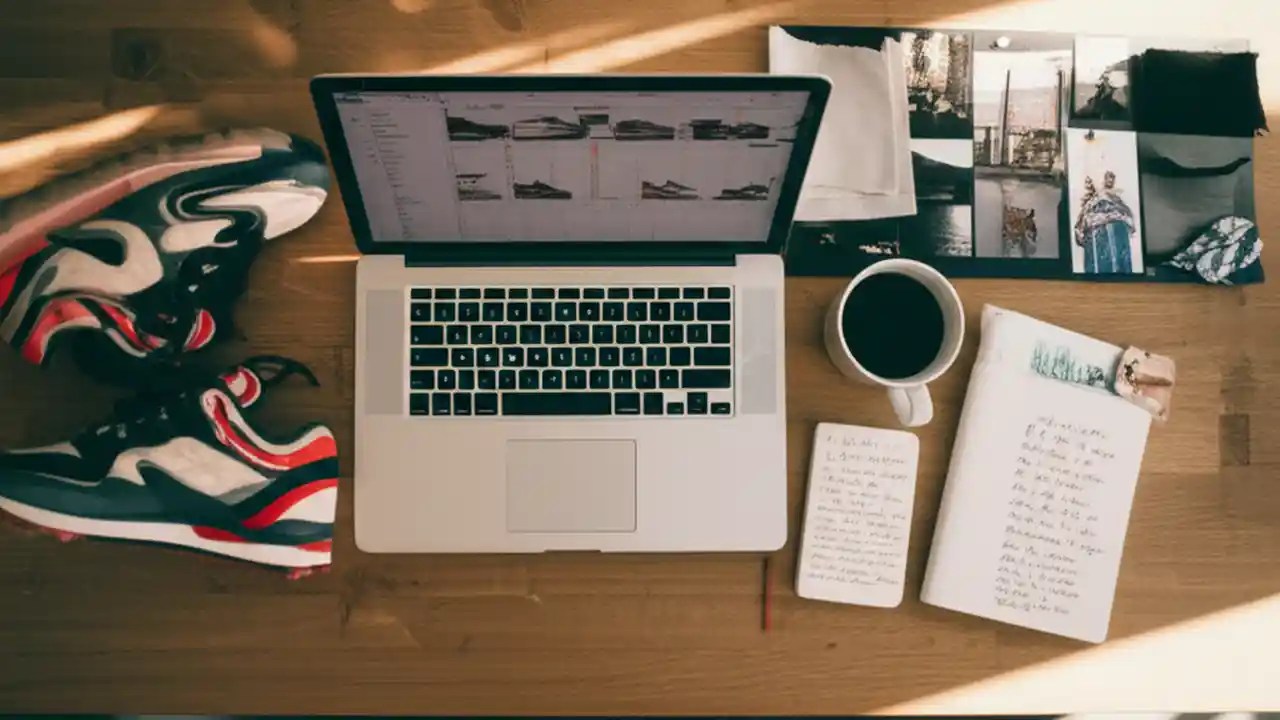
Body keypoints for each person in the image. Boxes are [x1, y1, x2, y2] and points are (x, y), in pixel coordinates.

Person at [1074, 171, 1137, 273]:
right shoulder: (1097, 205)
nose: (1110, 180)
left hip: (1103, 231)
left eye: (1111, 177)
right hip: (1099, 232)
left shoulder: (1115, 203)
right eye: (1107, 177)